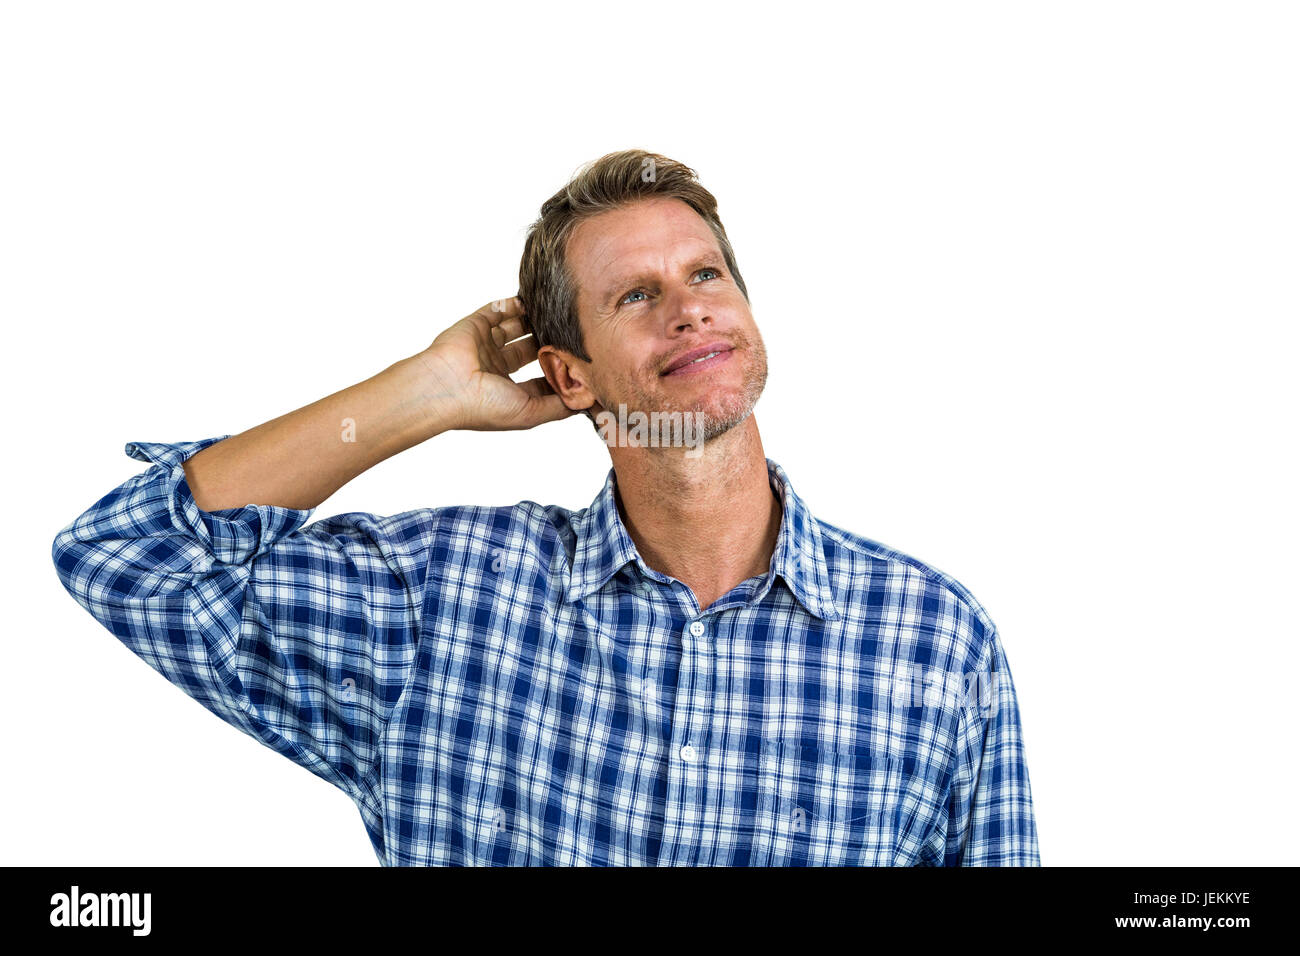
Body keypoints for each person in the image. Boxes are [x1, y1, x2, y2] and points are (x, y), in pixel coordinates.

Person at [51, 149, 1041, 866]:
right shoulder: (439, 602)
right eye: (635, 297)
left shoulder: (932, 640)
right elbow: (126, 549)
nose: (689, 307)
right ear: (567, 375)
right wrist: (423, 393)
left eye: (704, 275)